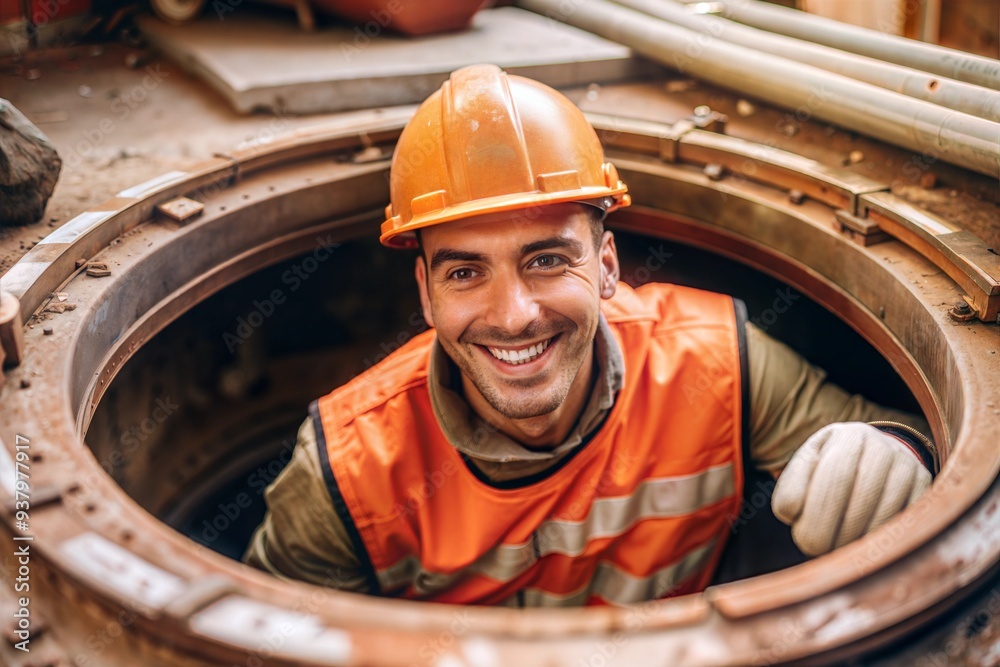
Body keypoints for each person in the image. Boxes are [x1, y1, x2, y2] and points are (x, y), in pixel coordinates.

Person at [243, 64, 937, 606]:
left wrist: (899, 451)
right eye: (464, 272)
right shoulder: (350, 466)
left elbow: (911, 443)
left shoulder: (714, 362)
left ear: (607, 266)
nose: (513, 314)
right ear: (425, 294)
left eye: (546, 259)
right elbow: (262, 640)